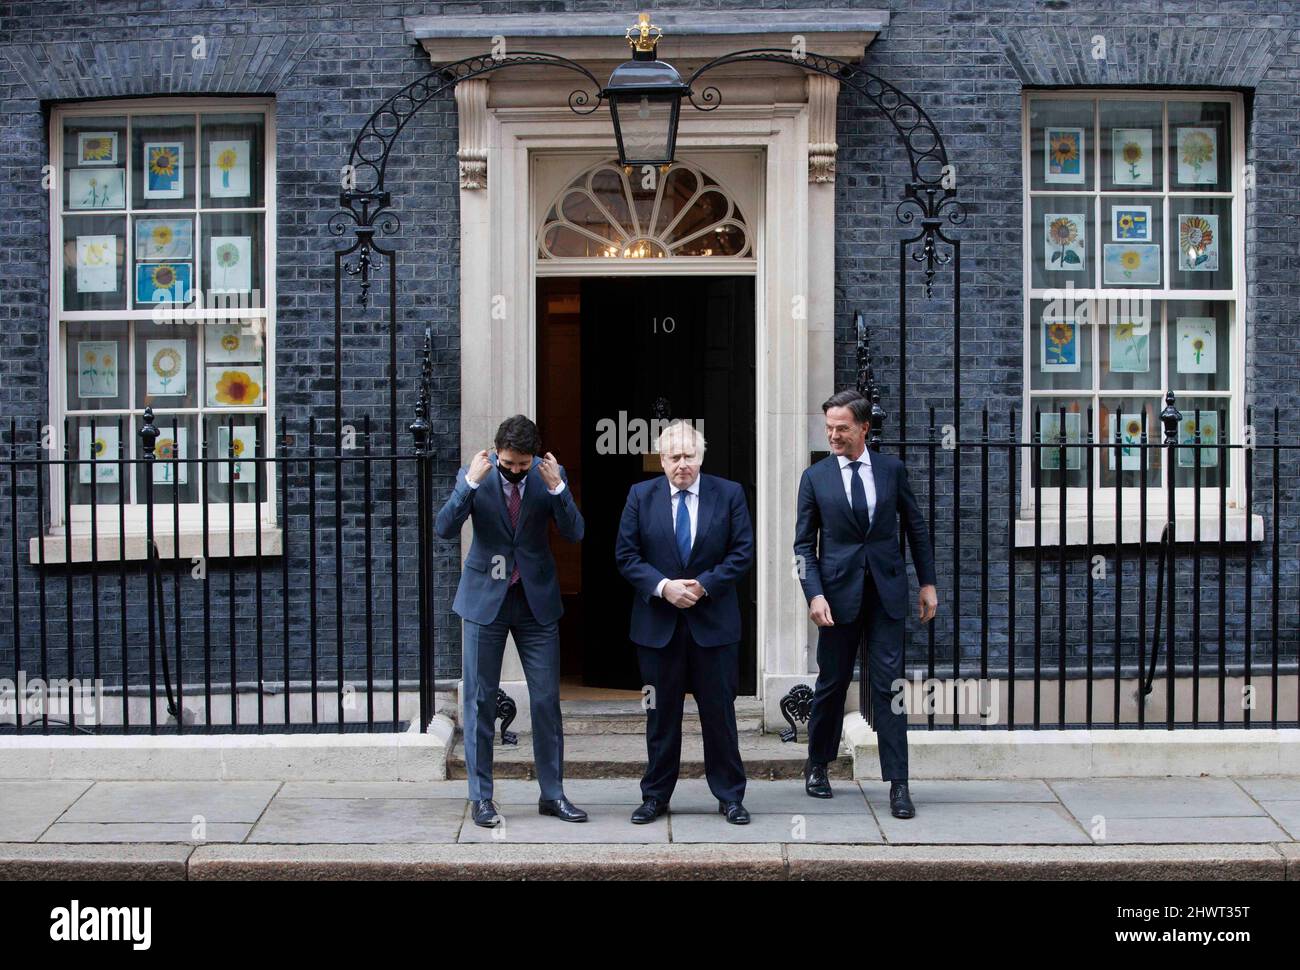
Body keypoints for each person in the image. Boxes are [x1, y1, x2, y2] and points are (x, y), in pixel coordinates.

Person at [435, 414, 587, 828]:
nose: (516, 472)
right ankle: (482, 798)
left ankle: (552, 795)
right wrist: (468, 484)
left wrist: (558, 488)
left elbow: (575, 532)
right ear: (497, 452)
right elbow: (445, 528)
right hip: (486, 600)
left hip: (535, 602)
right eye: (509, 464)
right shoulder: (475, 474)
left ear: (534, 456)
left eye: (523, 465)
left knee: (545, 702)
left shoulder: (548, 476)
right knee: (480, 701)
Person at [793, 390, 938, 819]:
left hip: (886, 596)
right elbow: (803, 545)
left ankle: (898, 784)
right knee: (832, 683)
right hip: (836, 599)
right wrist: (813, 594)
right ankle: (818, 766)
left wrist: (927, 583)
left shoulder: (892, 470)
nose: (834, 435)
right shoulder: (815, 477)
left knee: (888, 688)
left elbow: (916, 527)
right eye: (830, 428)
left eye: (842, 428)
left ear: (863, 429)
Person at [615, 420, 755, 825]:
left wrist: (705, 585)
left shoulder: (728, 494)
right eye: (674, 457)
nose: (682, 464)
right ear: (661, 459)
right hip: (658, 628)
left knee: (720, 715)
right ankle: (655, 796)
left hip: (714, 627)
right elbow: (626, 555)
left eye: (689, 456)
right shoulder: (640, 496)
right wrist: (662, 587)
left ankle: (730, 796)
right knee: (660, 716)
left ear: (701, 457)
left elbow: (742, 552)